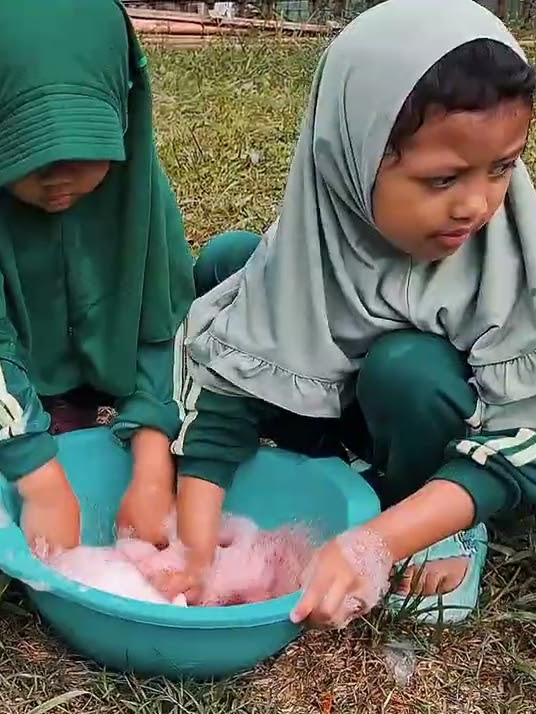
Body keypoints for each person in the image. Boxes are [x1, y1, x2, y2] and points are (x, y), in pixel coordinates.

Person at [168, 0, 536, 627]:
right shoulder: (318, 236)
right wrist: (193, 548)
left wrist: (379, 541)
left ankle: (438, 526)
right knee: (233, 262)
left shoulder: (512, 264)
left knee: (409, 370)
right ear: (350, 155)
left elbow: (525, 434)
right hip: (344, 423)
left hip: (440, 441)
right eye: (442, 179)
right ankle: (343, 475)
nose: (476, 204)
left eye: (502, 168)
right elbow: (223, 392)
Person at [0, 0, 195, 554]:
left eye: (84, 148)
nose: (57, 178)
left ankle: (54, 412)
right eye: (25, 151)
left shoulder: (136, 192)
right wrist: (42, 483)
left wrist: (152, 466)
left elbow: (162, 320)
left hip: (59, 350)